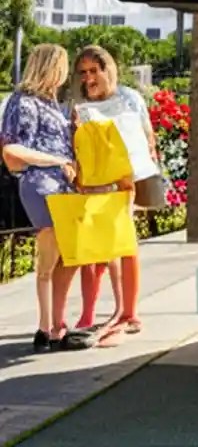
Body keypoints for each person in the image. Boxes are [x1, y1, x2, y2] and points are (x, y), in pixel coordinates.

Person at [0, 43, 91, 351]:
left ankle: (54, 325)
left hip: (60, 186)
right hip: (43, 185)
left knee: (66, 256)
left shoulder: (51, 102)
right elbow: (13, 151)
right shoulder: (23, 101)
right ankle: (47, 329)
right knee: (50, 258)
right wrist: (56, 161)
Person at [69, 45, 159, 335]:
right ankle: (87, 314)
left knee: (124, 248)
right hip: (91, 186)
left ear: (108, 70)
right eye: (83, 72)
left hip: (124, 184)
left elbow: (147, 139)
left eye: (94, 71)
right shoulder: (78, 107)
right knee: (91, 253)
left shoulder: (129, 99)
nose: (89, 78)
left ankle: (130, 313)